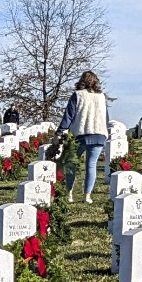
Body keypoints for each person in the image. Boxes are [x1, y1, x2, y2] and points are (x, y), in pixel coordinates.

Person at [58, 70, 111, 203]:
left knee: (72, 164)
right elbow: (106, 116)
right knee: (91, 165)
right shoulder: (102, 97)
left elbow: (69, 115)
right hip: (98, 133)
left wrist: (60, 131)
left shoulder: (78, 95)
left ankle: (69, 193)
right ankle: (87, 196)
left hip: (80, 133)